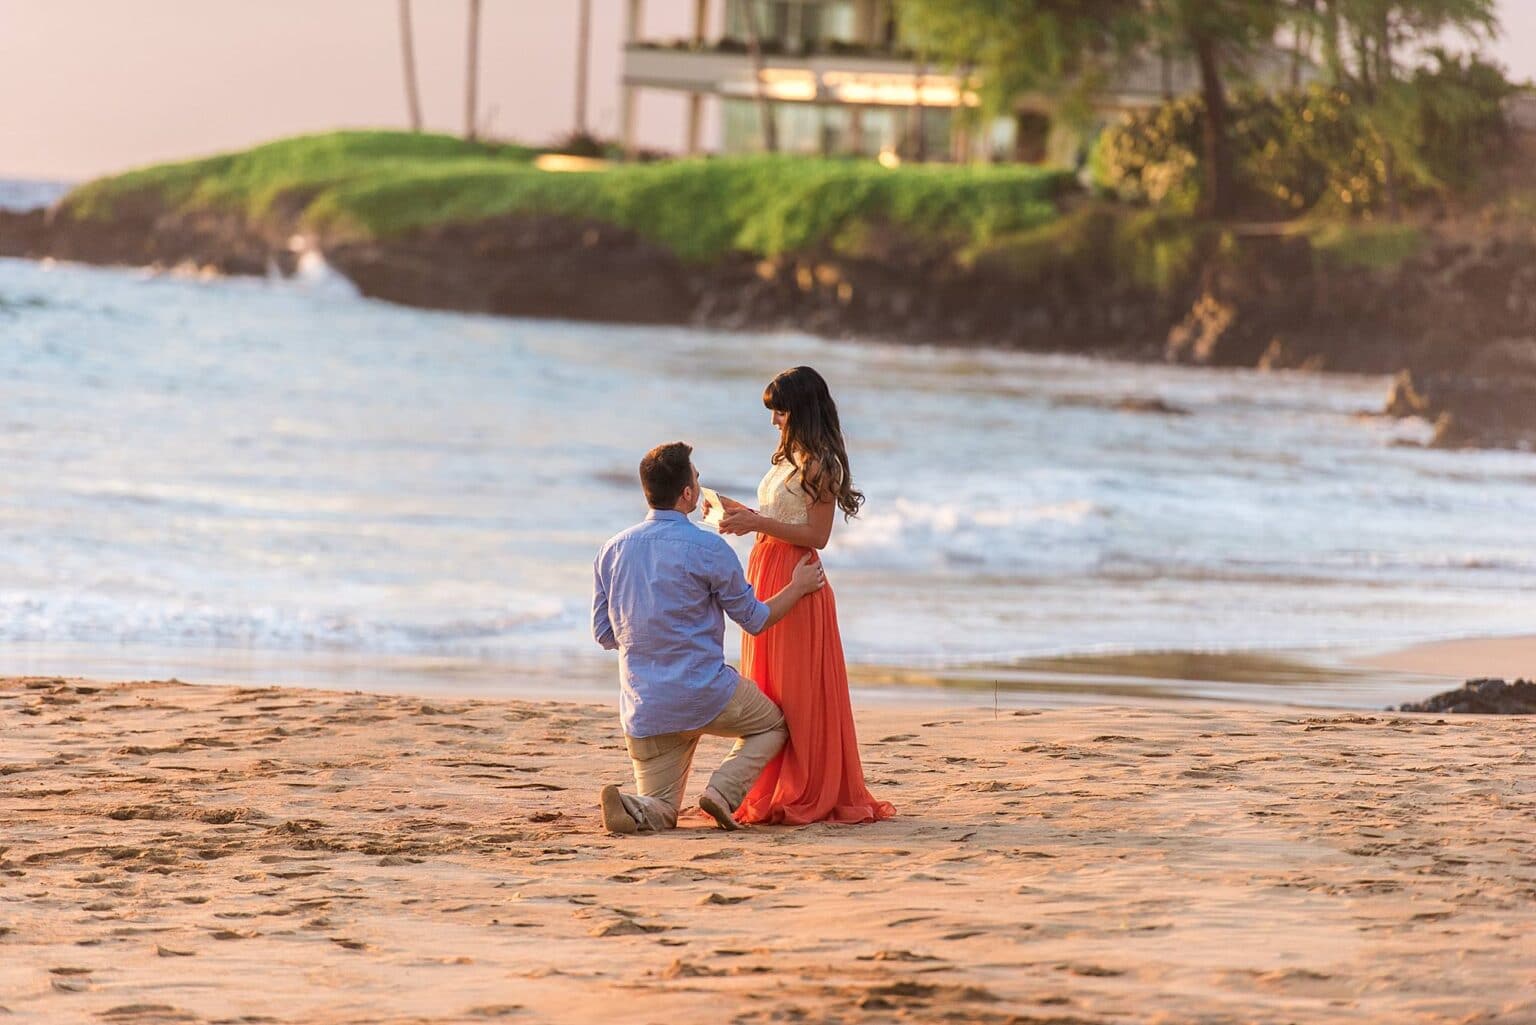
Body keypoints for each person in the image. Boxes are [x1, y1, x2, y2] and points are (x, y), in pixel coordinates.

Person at [592, 441, 825, 834]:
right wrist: (798, 586)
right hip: (706, 693)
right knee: (773, 726)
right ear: (687, 493)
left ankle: (634, 805)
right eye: (696, 478)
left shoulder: (611, 550)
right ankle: (722, 791)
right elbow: (754, 619)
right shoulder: (709, 547)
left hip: (646, 708)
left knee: (662, 811)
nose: (699, 483)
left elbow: (604, 634)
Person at [709, 367, 895, 825]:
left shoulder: (822, 463)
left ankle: (804, 785)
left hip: (797, 575)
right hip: (767, 567)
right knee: (767, 685)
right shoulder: (788, 457)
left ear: (803, 411)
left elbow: (817, 534)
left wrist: (758, 523)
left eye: (781, 411)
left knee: (796, 690)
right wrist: (745, 514)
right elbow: (781, 514)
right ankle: (764, 782)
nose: (775, 421)